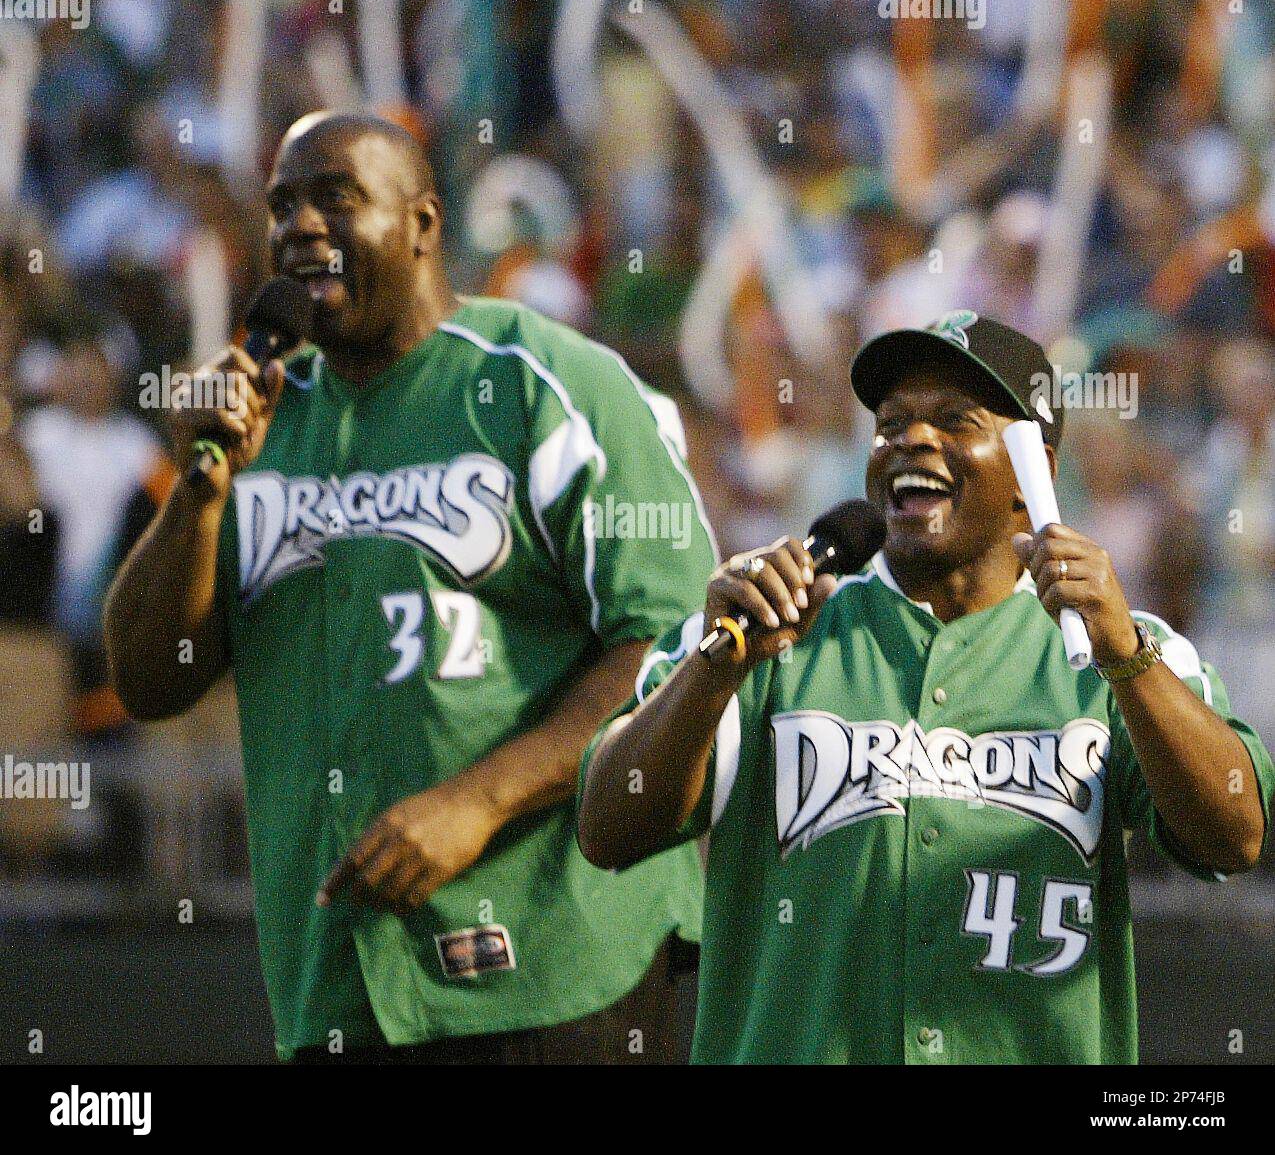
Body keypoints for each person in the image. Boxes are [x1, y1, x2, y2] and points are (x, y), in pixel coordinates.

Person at [105, 112, 715, 1063]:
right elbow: (150, 679)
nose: (299, 226)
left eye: (336, 197)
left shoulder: (551, 382)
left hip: (558, 962)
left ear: (424, 224)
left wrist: (476, 800)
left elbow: (675, 651)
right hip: (341, 978)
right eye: (283, 206)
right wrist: (199, 488)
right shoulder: (264, 424)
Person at [577, 311, 1271, 1064]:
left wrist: (1126, 660)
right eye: (890, 422)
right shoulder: (771, 630)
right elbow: (607, 827)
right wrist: (713, 671)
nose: (909, 439)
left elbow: (1232, 836)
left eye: (952, 420)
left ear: (1030, 471)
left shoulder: (1122, 651)